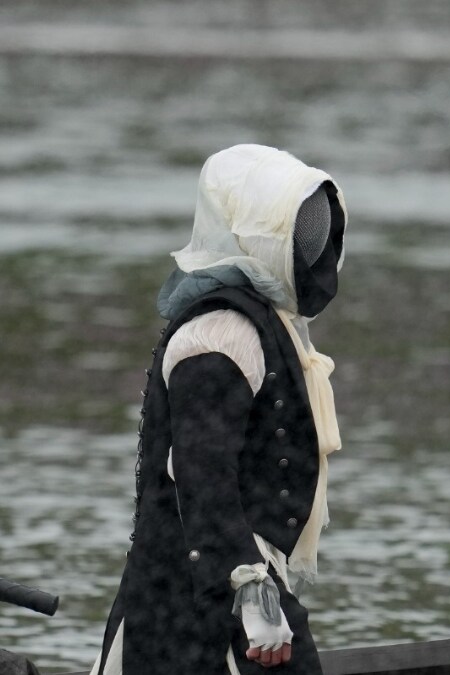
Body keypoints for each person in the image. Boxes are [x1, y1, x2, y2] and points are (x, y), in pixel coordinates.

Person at [91, 144, 347, 674]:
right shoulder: (218, 334)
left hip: (225, 580)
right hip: (200, 595)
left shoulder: (257, 322)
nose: (311, 245)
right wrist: (250, 589)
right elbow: (200, 473)